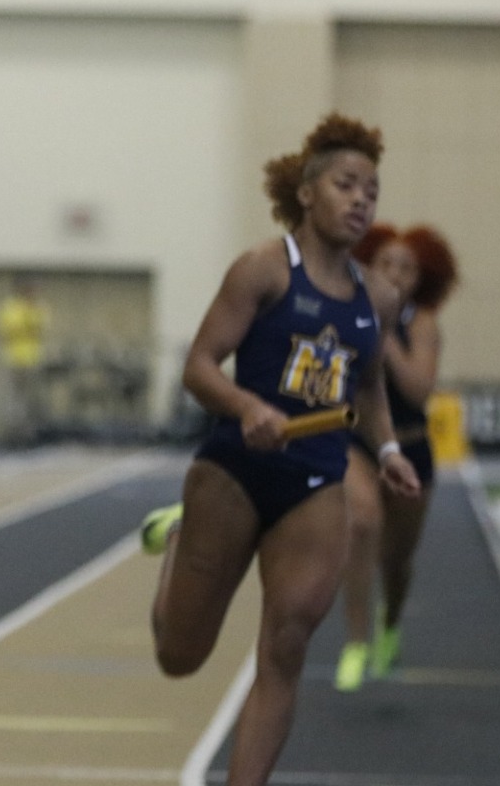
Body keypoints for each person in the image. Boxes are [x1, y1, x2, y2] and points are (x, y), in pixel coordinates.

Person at [140, 113, 420, 786]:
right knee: (180, 655)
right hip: (234, 472)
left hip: (316, 481)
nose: (361, 201)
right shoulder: (263, 270)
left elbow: (371, 388)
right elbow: (200, 366)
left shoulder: (374, 297)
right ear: (306, 192)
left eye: (372, 192)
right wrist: (245, 406)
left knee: (287, 646)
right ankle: (179, 545)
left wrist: (385, 452)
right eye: (347, 185)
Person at [334, 222, 459, 690]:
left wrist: (384, 337)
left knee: (398, 561)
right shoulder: (346, 310)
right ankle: (354, 643)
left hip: (411, 444)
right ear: (366, 264)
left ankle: (390, 625)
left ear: (422, 278)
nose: (394, 273)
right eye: (385, 263)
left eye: (406, 267)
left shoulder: (422, 324)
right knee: (362, 523)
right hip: (359, 443)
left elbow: (419, 388)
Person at [0, 278, 48, 438]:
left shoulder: (37, 307)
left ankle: (29, 432)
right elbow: (9, 328)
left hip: (32, 358)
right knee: (13, 399)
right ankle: (11, 432)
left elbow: (40, 326)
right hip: (14, 358)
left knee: (31, 400)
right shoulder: (11, 307)